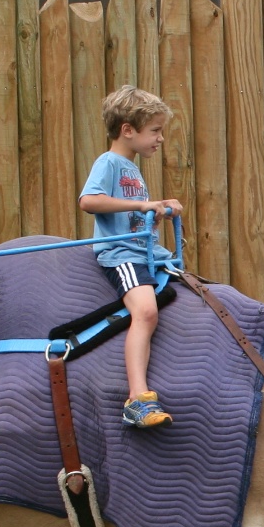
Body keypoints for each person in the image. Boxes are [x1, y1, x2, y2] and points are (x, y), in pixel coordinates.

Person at [80, 85, 184, 430]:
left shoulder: (132, 169)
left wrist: (160, 209)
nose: (160, 139)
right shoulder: (109, 162)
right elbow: (89, 201)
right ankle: (137, 398)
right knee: (145, 311)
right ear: (128, 130)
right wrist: (142, 204)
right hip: (121, 254)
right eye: (155, 131)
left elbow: (136, 217)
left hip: (146, 251)